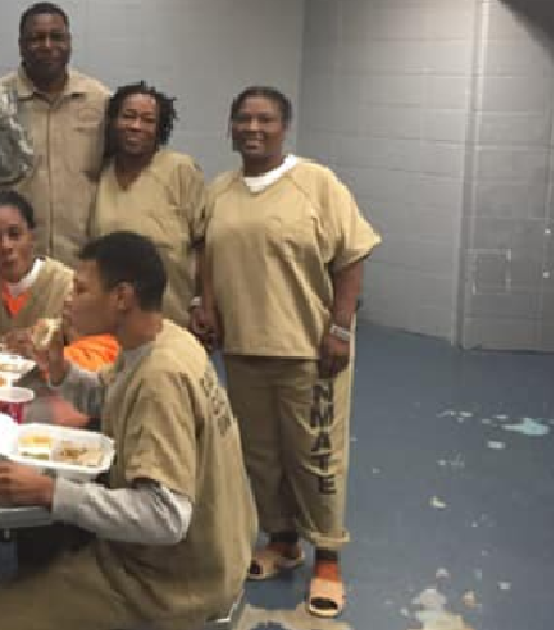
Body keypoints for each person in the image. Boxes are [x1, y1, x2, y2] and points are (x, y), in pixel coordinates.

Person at [0, 231, 256, 630]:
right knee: (46, 547)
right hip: (220, 550)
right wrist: (60, 369)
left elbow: (166, 516)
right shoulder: (165, 339)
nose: (68, 299)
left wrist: (49, 492)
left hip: (166, 582)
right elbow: (110, 396)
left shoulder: (160, 378)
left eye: (81, 289)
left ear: (122, 297)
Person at [193, 86, 380, 618]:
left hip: (309, 350)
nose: (253, 128)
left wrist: (340, 327)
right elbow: (205, 251)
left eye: (265, 119)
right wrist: (204, 304)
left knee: (316, 455)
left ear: (284, 127)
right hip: (243, 348)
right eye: (243, 119)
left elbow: (352, 256)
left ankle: (328, 556)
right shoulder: (220, 190)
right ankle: (281, 541)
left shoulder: (316, 183)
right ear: (231, 126)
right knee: (261, 454)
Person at [0, 1, 109, 269]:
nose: (47, 45)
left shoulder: (99, 102)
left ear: (69, 43)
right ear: (21, 45)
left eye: (57, 37)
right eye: (36, 38)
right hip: (13, 267)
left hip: (84, 268)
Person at [0, 190, 116, 373]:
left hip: (47, 392)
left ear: (32, 236)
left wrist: (47, 355)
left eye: (15, 234)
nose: (6, 246)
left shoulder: (68, 286)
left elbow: (102, 353)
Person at [89, 81, 205, 328]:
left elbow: (204, 244)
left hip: (172, 318)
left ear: (160, 128)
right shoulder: (101, 174)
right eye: (128, 116)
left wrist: (202, 303)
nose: (136, 126)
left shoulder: (180, 170)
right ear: (113, 122)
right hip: (112, 323)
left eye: (148, 120)